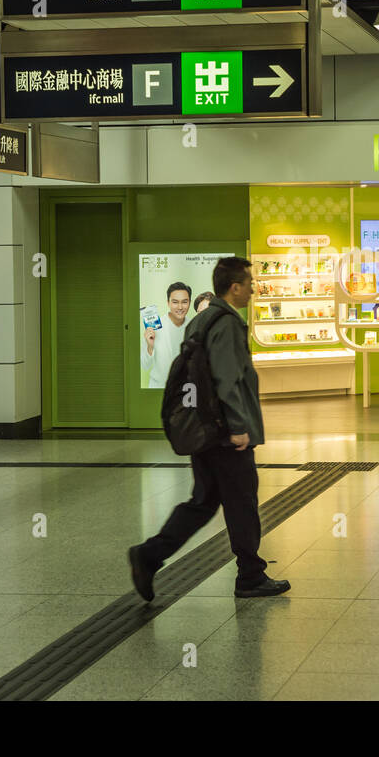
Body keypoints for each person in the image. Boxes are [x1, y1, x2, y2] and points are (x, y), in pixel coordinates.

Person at [129, 257, 290, 600]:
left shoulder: (200, 320)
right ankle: (250, 575)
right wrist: (237, 427)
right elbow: (226, 378)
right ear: (234, 287)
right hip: (224, 434)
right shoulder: (228, 322)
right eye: (249, 283)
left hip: (203, 428)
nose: (252, 288)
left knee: (203, 501)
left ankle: (149, 554)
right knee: (242, 501)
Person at [142, 282, 192, 388]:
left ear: (190, 303)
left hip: (185, 389)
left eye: (184, 302)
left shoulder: (194, 326)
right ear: (168, 303)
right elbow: (145, 366)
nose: (180, 307)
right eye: (175, 302)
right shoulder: (154, 326)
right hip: (158, 387)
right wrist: (149, 346)